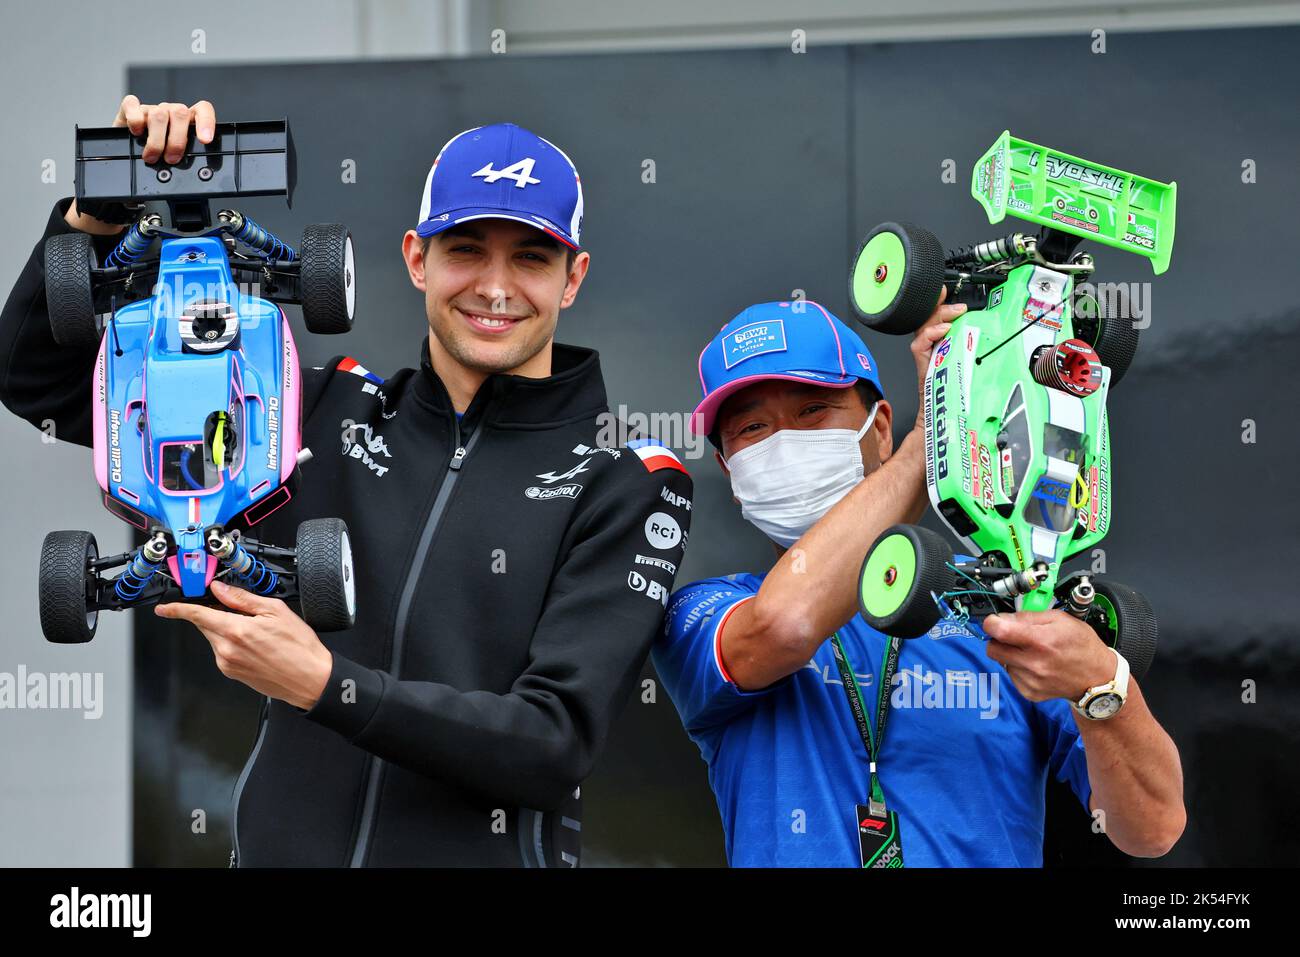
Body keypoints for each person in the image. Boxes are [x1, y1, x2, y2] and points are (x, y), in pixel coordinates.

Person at [0, 95, 693, 867]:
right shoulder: (321, 409)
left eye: (531, 257)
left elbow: (551, 740)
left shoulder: (624, 478)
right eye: (467, 249)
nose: (496, 287)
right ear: (416, 258)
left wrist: (329, 684)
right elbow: (42, 385)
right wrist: (98, 220)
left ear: (573, 278)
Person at [652, 297, 1184, 866]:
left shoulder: (1000, 606)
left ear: (880, 429)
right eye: (753, 428)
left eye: (813, 411)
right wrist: (934, 436)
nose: (785, 441)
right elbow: (785, 625)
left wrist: (1101, 685)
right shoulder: (706, 613)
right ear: (729, 471)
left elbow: (1152, 829)